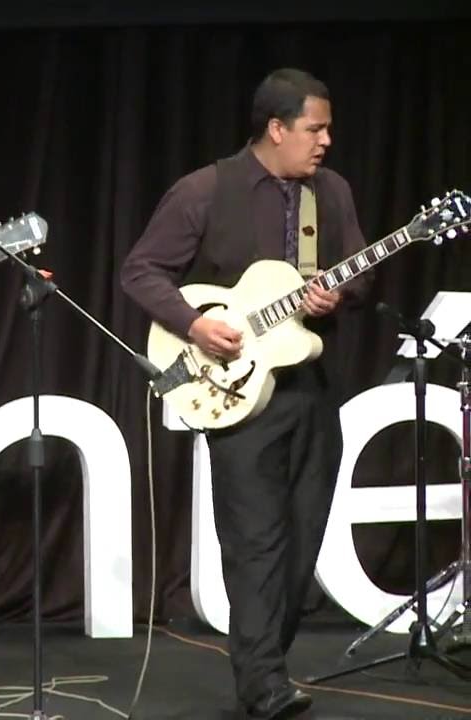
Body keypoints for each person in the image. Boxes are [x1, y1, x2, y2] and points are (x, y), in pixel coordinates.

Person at [121, 68, 371, 719]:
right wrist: (195, 323)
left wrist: (340, 293)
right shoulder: (205, 189)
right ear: (277, 127)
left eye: (328, 129)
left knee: (304, 536)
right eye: (315, 128)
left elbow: (361, 272)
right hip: (238, 395)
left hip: (313, 388)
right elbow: (142, 271)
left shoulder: (332, 192)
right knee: (256, 540)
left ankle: (269, 661)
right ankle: (261, 682)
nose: (325, 141)